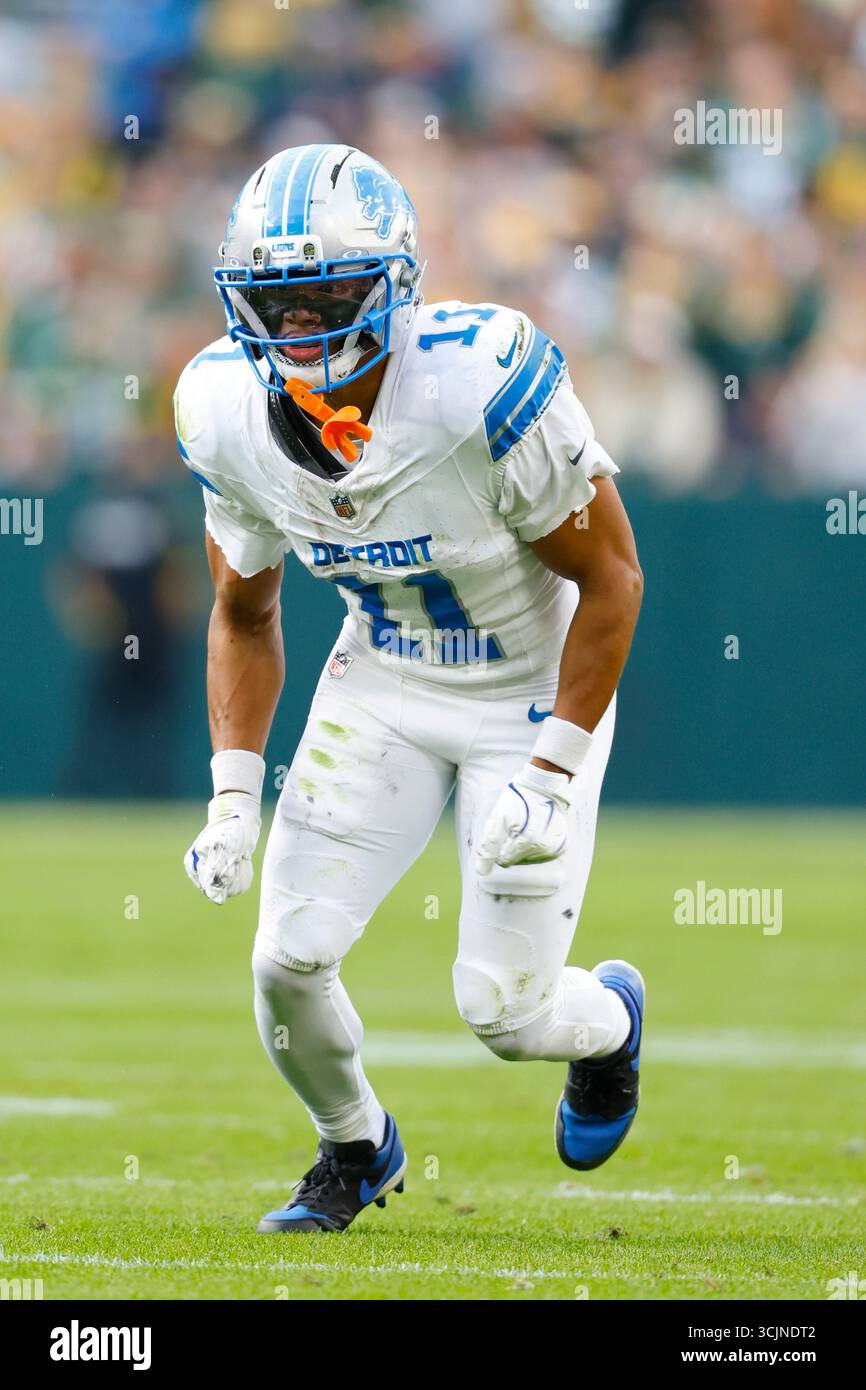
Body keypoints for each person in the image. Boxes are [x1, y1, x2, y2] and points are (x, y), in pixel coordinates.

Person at [176, 144, 645, 1234]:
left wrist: (553, 767)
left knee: (505, 1012)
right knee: (284, 961)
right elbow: (243, 612)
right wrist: (232, 794)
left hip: (528, 689)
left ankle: (610, 1023)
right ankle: (353, 1146)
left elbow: (612, 579)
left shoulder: (479, 381)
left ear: (391, 285)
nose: (303, 333)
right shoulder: (222, 412)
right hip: (381, 682)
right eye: (275, 306)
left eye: (328, 298)